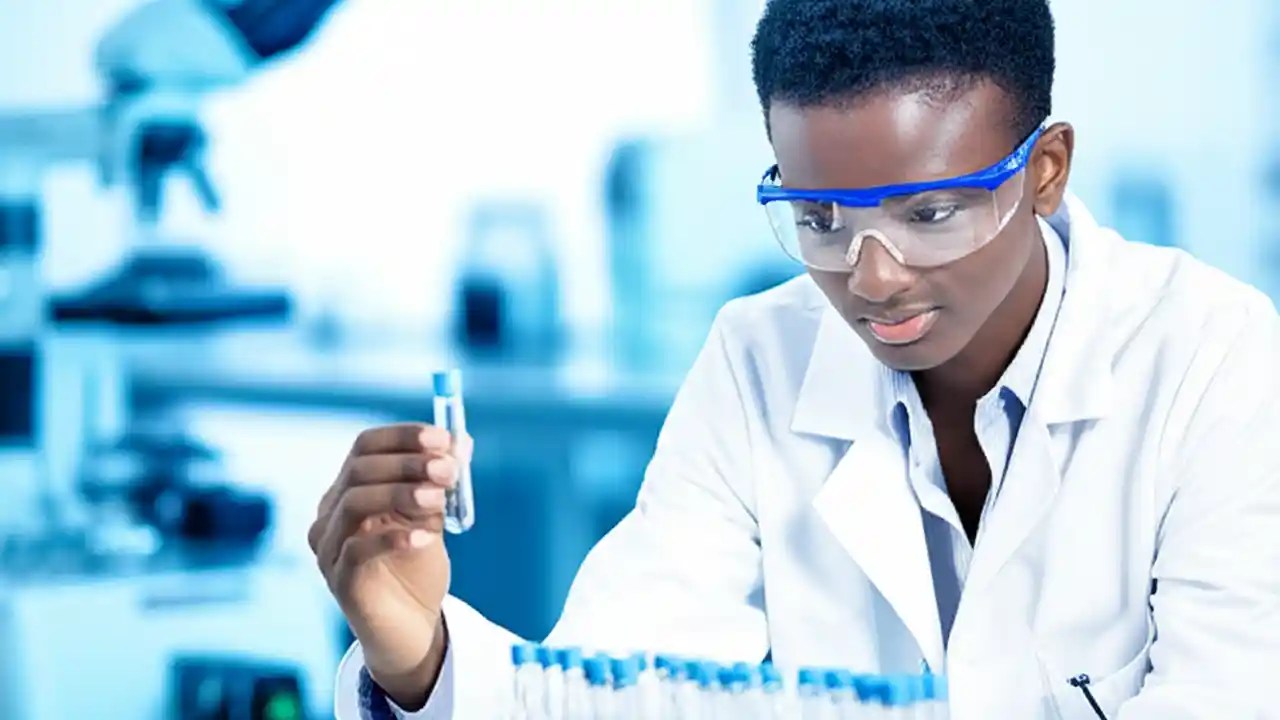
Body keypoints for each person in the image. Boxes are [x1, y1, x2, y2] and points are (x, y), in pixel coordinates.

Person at [312, 0, 1280, 717]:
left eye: (928, 215)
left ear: (1043, 172)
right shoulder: (758, 360)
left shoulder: (1213, 362)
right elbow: (620, 684)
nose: (872, 277)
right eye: (817, 219)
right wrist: (421, 662)